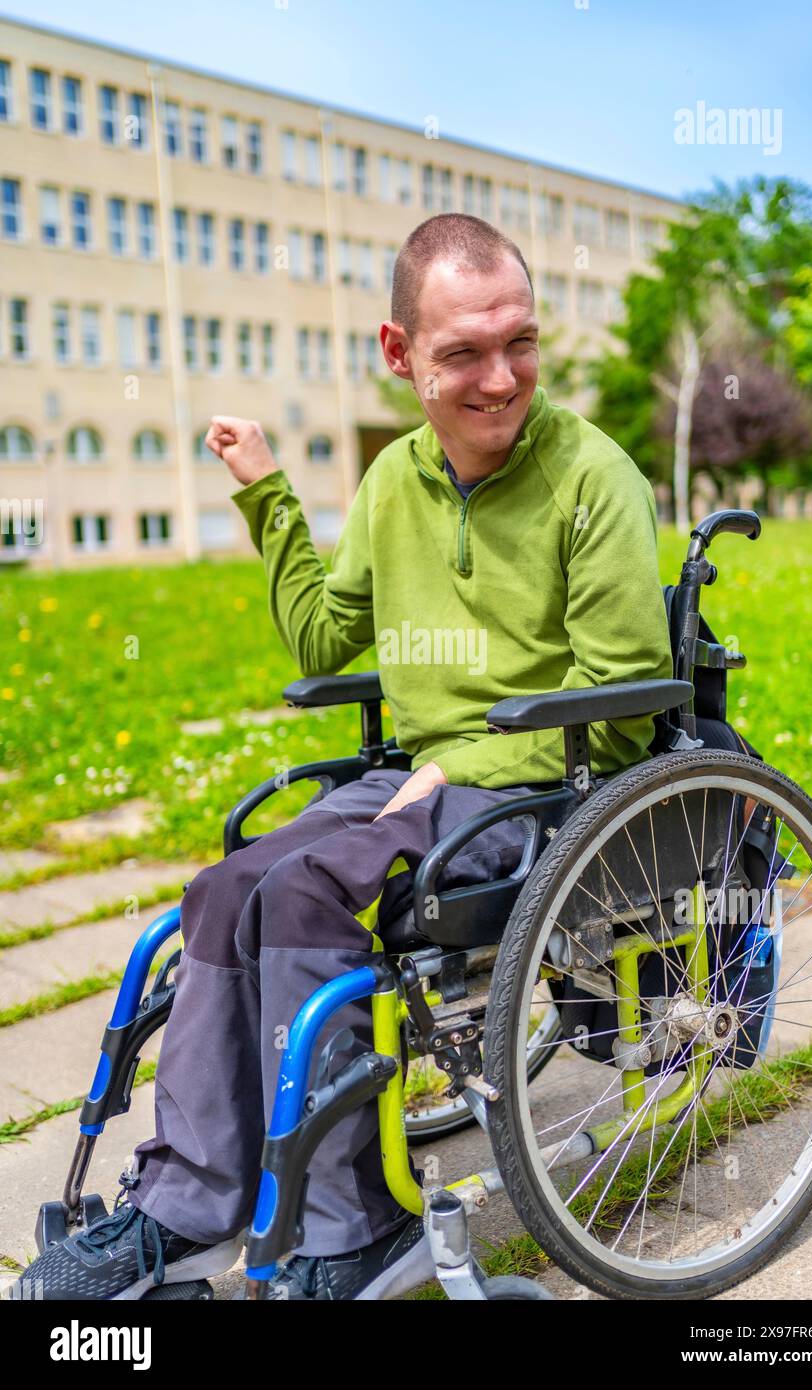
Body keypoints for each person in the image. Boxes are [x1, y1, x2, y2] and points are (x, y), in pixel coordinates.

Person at [17, 213, 672, 1302]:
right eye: (462, 351)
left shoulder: (591, 478)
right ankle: (187, 1204)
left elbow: (616, 715)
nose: (501, 377)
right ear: (398, 353)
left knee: (312, 894)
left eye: (519, 342)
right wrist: (268, 494)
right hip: (421, 778)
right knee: (226, 889)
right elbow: (328, 641)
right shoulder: (391, 485)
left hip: (541, 787)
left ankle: (359, 1227)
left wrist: (454, 758)